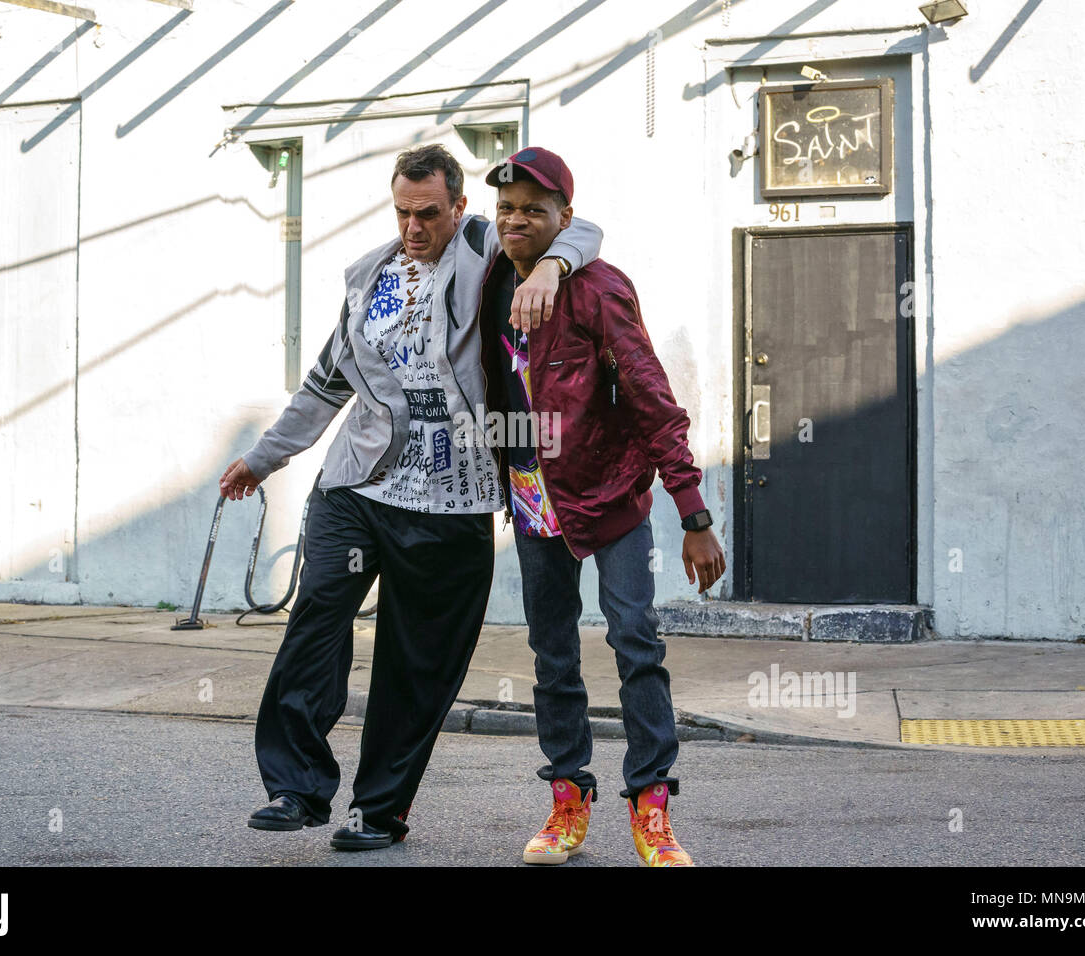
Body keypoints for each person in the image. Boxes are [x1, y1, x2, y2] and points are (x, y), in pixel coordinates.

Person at [219, 144, 602, 852]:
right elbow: (326, 384)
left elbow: (581, 232)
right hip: (358, 485)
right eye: (402, 212)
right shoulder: (371, 277)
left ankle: (379, 812)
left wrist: (549, 266)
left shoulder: (488, 248)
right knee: (318, 617)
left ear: (459, 207)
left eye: (428, 213)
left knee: (416, 665)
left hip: (452, 503)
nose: (413, 227)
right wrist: (264, 458)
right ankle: (295, 788)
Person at [473, 147, 725, 866]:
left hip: (609, 494)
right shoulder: (490, 280)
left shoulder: (599, 289)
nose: (518, 220)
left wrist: (693, 512)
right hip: (531, 503)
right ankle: (565, 800)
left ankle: (652, 807)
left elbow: (651, 396)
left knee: (635, 642)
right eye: (508, 209)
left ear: (565, 219)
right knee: (553, 657)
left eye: (534, 209)